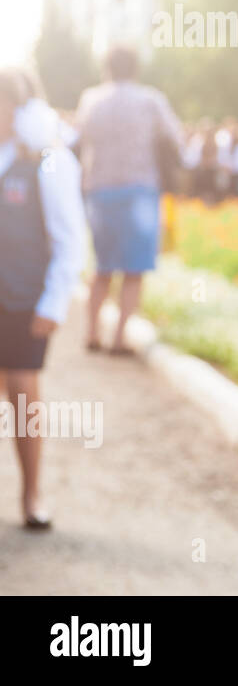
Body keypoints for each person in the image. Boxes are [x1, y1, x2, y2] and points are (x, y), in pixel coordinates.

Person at [0, 69, 86, 529]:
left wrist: (54, 303)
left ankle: (31, 494)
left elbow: (69, 237)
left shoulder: (47, 162)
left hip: (23, 298)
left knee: (21, 390)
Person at [76, 46, 185, 356]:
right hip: (140, 190)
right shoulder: (150, 100)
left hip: (100, 190)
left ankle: (92, 331)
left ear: (106, 68)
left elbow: (82, 138)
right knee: (133, 269)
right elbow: (175, 139)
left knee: (102, 267)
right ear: (135, 68)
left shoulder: (91, 100)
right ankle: (120, 337)